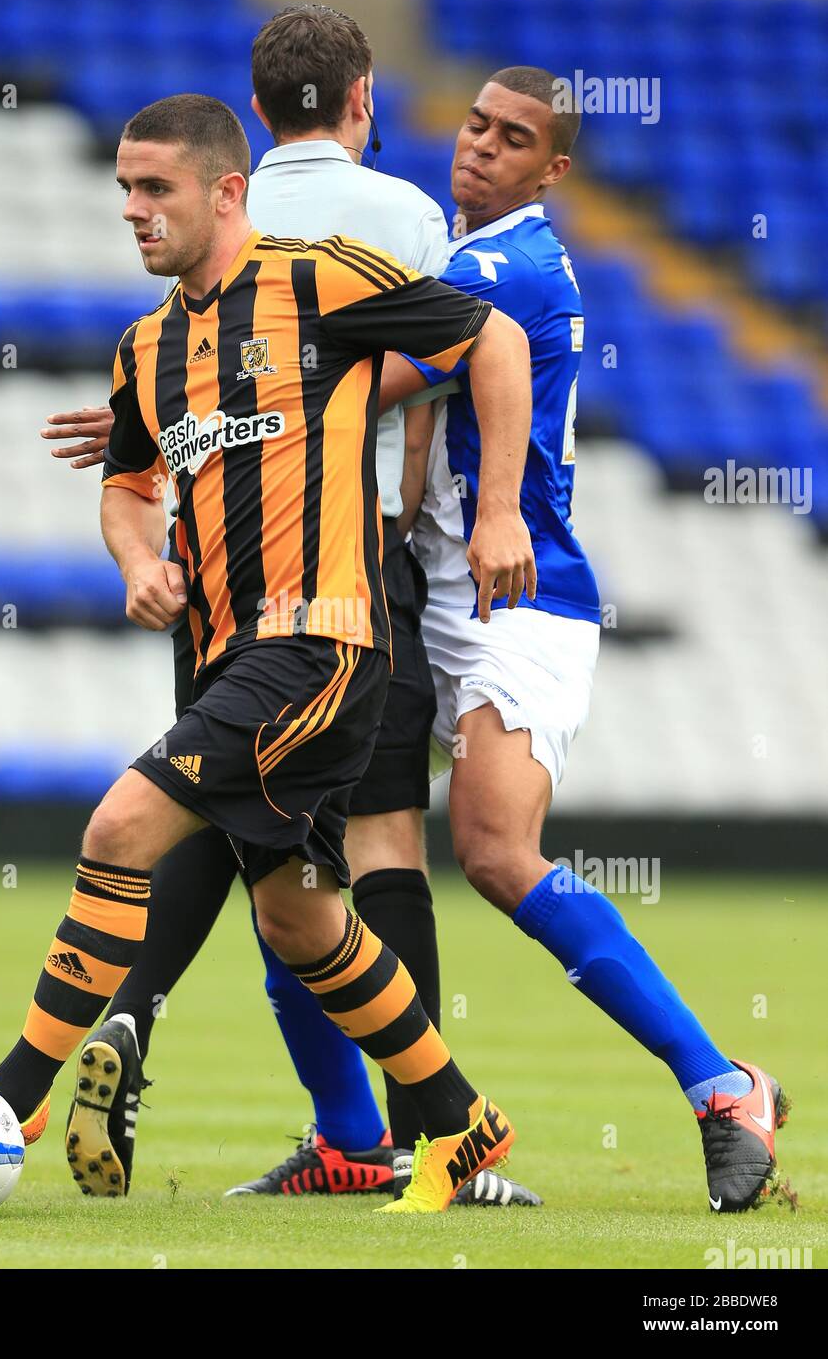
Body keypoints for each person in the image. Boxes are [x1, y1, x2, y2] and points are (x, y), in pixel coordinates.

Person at [40, 66, 791, 1216]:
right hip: (398, 590)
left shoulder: (501, 267)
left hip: (511, 590)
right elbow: (299, 371)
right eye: (474, 124)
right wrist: (172, 398)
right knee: (288, 842)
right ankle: (358, 1135)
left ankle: (720, 1085)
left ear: (554, 170)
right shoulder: (448, 249)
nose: (477, 146)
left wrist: (175, 400)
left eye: (512, 138)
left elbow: (322, 378)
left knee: (491, 850)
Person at [0, 91, 537, 1216]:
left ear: (227, 192)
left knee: (119, 827)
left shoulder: (318, 280)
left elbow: (494, 338)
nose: (132, 208)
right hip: (224, 654)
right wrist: (137, 558)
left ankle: (7, 1099)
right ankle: (461, 1121)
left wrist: (500, 509)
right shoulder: (147, 347)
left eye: (154, 188)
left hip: (320, 640)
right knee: (299, 918)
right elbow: (128, 485)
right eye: (123, 188)